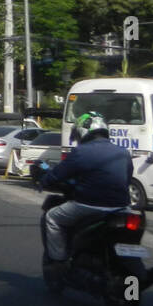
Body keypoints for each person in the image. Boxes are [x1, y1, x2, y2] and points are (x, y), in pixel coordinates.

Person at [39, 112, 136, 263]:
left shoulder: (81, 152)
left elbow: (56, 176)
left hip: (89, 206)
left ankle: (57, 261)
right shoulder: (123, 152)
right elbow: (127, 179)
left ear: (82, 132)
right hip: (122, 207)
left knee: (51, 218)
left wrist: (43, 180)